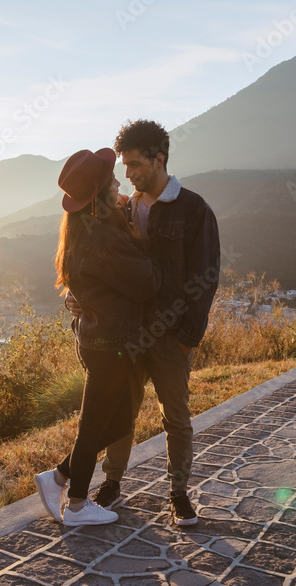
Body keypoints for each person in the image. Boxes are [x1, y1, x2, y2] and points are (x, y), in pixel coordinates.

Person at [67, 119, 220, 526]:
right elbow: (96, 261)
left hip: (171, 337)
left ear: (159, 158)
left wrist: (188, 338)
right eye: (125, 166)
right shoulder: (125, 206)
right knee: (123, 412)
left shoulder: (193, 209)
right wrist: (78, 296)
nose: (129, 174)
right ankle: (112, 483)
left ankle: (178, 492)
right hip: (128, 336)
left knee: (177, 416)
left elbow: (206, 277)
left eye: (135, 165)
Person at [34, 147, 161, 527]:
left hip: (99, 339)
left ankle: (57, 477)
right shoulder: (103, 238)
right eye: (112, 180)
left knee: (119, 420)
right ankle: (75, 504)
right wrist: (142, 241)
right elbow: (148, 283)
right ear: (100, 192)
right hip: (110, 344)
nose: (120, 182)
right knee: (96, 424)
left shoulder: (81, 230)